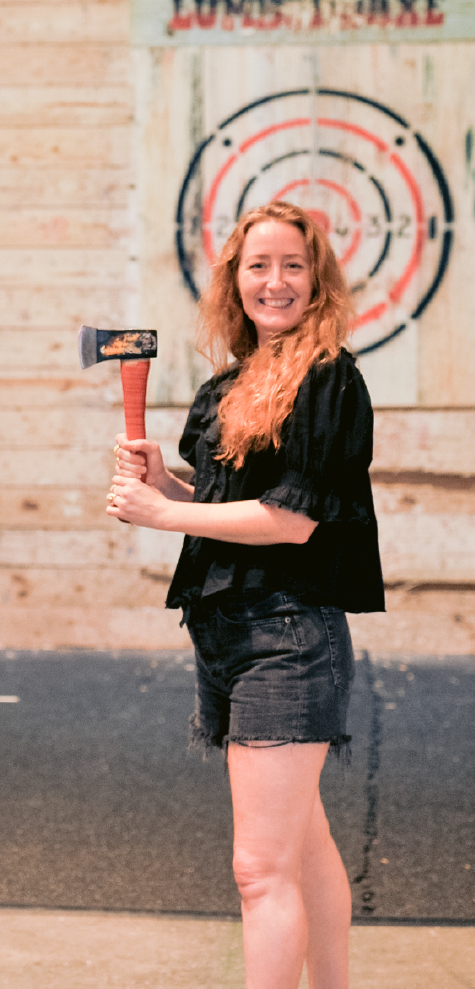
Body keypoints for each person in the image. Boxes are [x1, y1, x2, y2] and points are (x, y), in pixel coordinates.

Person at [107, 201, 383, 989]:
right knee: (301, 845)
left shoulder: (329, 380)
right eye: (257, 265)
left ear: (317, 278)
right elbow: (232, 499)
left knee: (260, 869)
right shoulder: (230, 383)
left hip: (288, 635)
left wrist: (165, 512)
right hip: (227, 634)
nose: (276, 281)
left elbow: (293, 520)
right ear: (234, 281)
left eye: (293, 264)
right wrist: (170, 479)